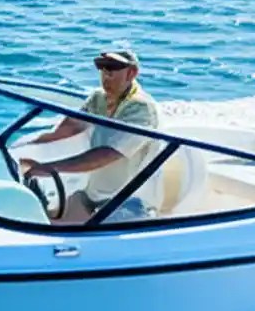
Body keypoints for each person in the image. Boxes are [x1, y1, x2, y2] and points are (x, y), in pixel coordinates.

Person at [19, 50, 161, 223]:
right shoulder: (98, 98)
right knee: (43, 220)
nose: (105, 75)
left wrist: (48, 169)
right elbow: (69, 128)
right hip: (93, 196)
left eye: (112, 68)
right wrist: (21, 148)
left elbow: (106, 155)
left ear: (131, 73)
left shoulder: (141, 109)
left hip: (128, 203)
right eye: (101, 68)